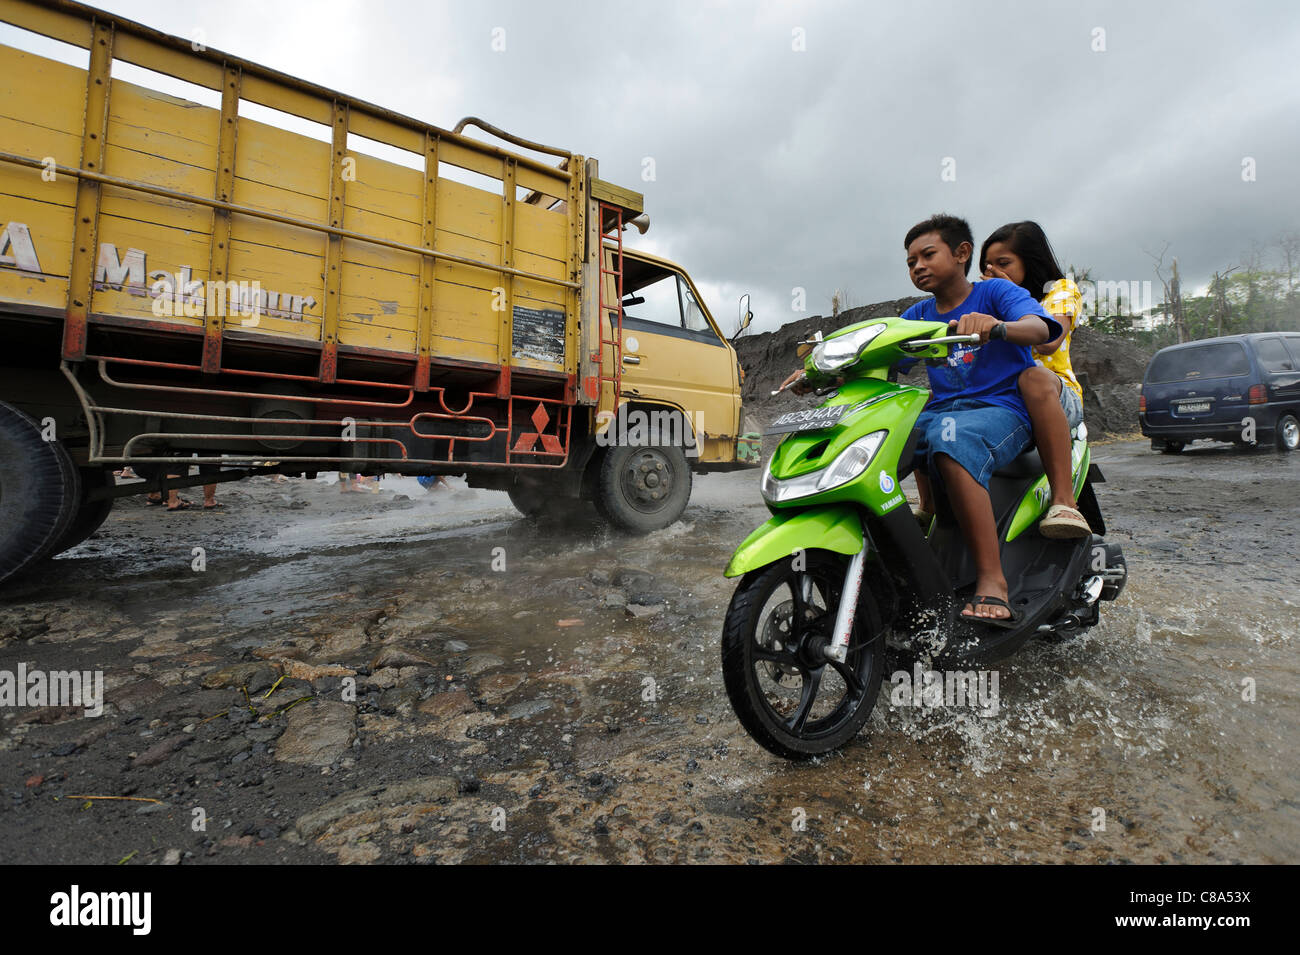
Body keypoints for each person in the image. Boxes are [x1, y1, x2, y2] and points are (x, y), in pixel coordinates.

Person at [782, 214, 1061, 624]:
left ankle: (992, 582)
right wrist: (816, 375)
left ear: (962, 253)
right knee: (869, 444)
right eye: (911, 262)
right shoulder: (916, 314)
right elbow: (873, 357)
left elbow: (1041, 328)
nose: (917, 267)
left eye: (928, 255)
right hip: (942, 412)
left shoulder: (996, 292)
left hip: (1001, 409)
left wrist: (998, 326)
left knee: (952, 443)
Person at [978, 221, 1090, 538]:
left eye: (1004, 263)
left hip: (1054, 393)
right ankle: (930, 511)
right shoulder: (983, 300)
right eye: (989, 267)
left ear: (1029, 260)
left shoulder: (1060, 291)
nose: (995, 271)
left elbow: (1047, 341)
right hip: (1002, 398)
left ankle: (1065, 503)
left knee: (1033, 377)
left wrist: (1003, 299)